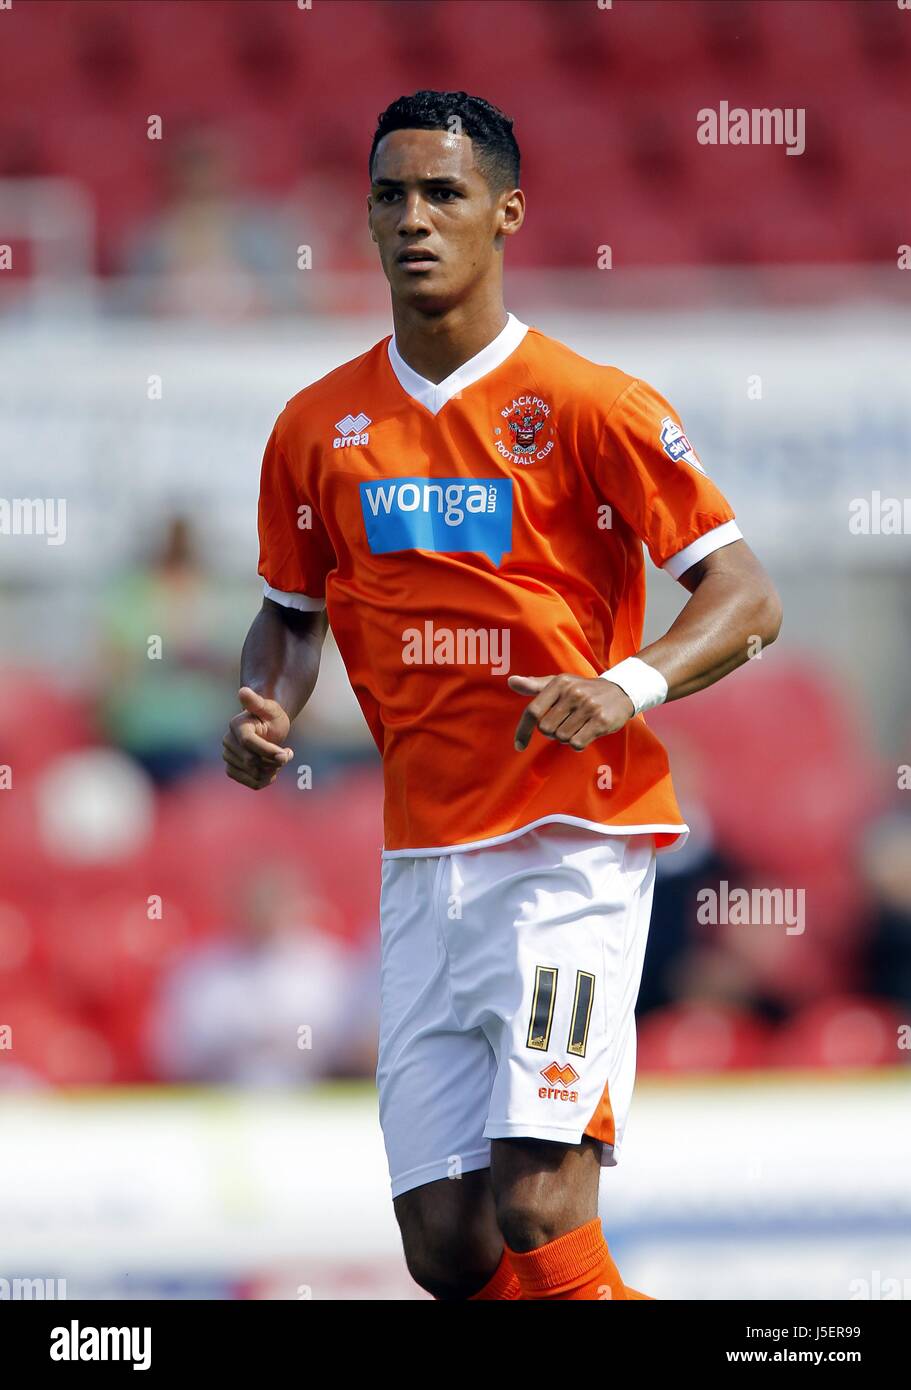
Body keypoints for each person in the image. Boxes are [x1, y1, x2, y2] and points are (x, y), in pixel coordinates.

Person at [222, 90, 782, 1301]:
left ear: (505, 213)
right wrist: (263, 704)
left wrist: (622, 686)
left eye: (443, 193)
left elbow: (744, 597)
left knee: (538, 1194)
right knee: (447, 1243)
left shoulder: (589, 403)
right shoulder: (315, 427)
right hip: (424, 854)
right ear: (365, 222)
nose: (413, 218)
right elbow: (287, 611)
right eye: (390, 196)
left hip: (566, 841)